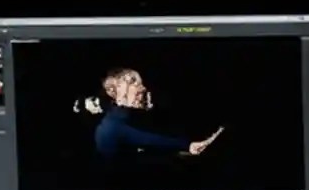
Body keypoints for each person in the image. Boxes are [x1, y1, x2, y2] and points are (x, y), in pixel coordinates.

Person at [90, 68, 222, 159]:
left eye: (139, 83)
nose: (142, 88)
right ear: (115, 94)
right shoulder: (110, 128)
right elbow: (145, 139)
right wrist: (187, 146)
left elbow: (149, 139)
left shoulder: (130, 118)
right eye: (132, 83)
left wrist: (187, 146)